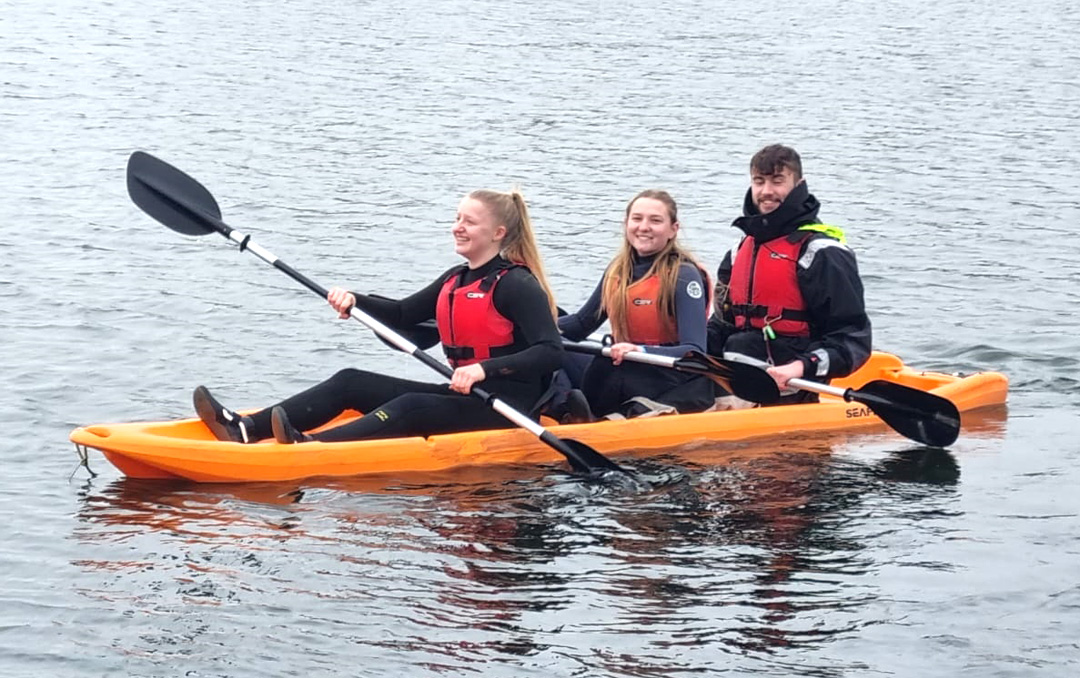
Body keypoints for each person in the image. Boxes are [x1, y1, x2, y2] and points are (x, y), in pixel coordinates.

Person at [193, 189, 564, 444]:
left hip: (507, 408)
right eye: (457, 218)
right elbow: (403, 313)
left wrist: (484, 370)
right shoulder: (456, 278)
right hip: (466, 397)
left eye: (470, 222)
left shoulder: (517, 284)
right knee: (351, 380)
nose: (457, 226)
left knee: (409, 407)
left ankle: (309, 446)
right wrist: (355, 300)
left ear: (498, 233)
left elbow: (551, 351)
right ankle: (245, 427)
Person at [708, 145, 871, 405]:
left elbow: (852, 340)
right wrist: (684, 350)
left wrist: (800, 367)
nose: (766, 192)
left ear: (798, 185)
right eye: (759, 182)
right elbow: (721, 325)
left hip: (794, 382)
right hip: (742, 371)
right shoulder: (738, 252)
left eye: (777, 181)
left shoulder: (822, 253)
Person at [557, 189, 714, 420]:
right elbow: (581, 324)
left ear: (673, 230)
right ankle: (560, 409)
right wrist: (537, 325)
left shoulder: (683, 275)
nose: (644, 227)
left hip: (665, 373)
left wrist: (639, 350)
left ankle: (583, 417)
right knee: (551, 349)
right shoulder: (617, 270)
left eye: (656, 220)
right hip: (623, 364)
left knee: (614, 371)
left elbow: (694, 350)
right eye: (637, 219)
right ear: (627, 223)